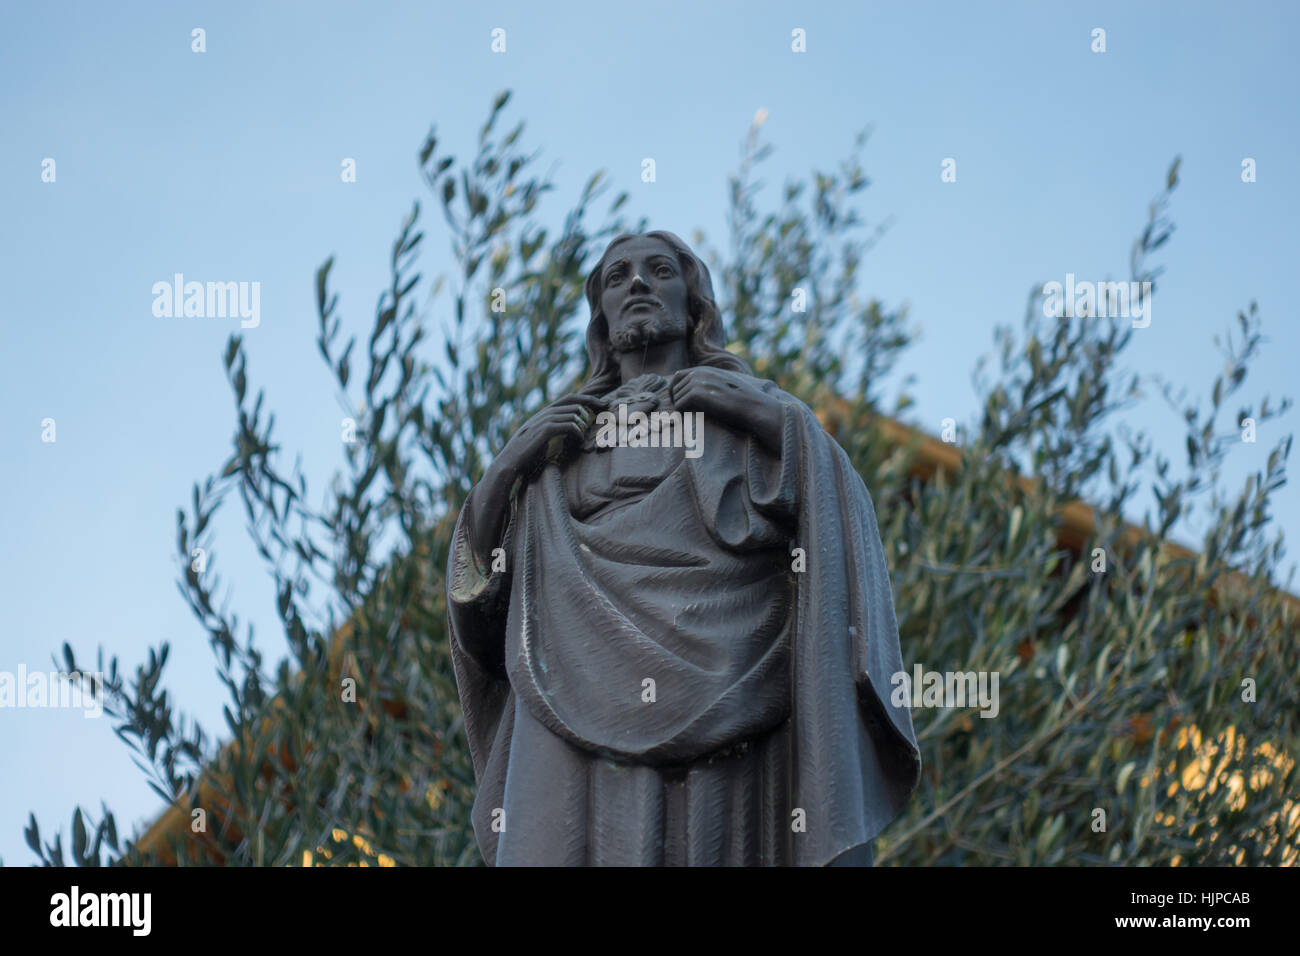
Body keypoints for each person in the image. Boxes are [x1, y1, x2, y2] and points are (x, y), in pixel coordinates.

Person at [447, 231, 920, 865]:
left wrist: (776, 421)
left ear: (693, 303)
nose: (637, 284)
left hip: (734, 699)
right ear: (601, 318)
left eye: (659, 270)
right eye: (617, 278)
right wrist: (506, 468)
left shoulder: (750, 416)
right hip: (571, 701)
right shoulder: (553, 452)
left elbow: (837, 515)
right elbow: (482, 616)